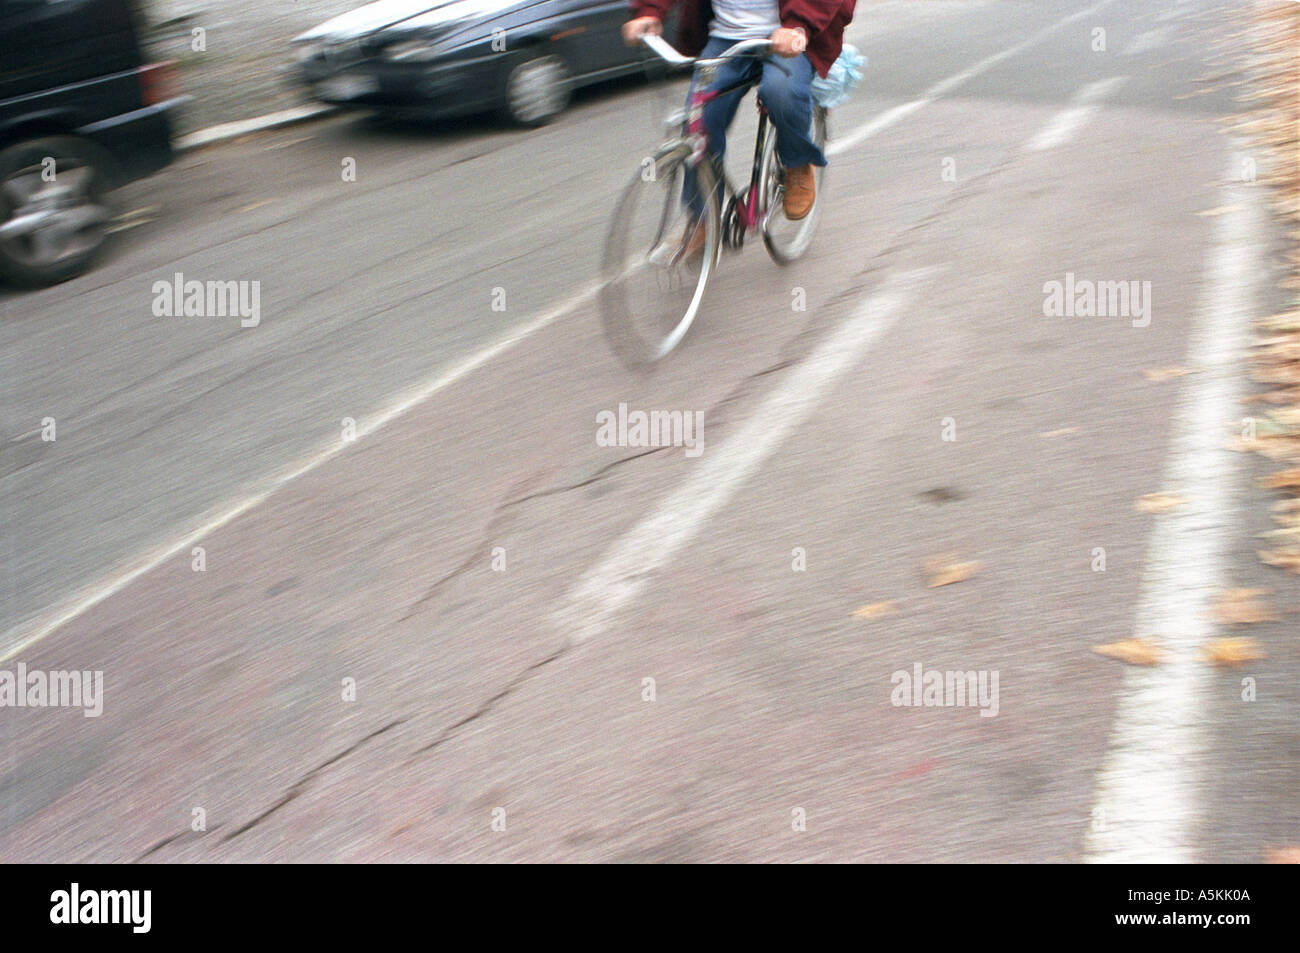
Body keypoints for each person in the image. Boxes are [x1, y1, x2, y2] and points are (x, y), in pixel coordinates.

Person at [623, 0, 856, 224]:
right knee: (699, 122)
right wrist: (649, 10)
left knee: (781, 92)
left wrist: (799, 25)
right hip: (725, 36)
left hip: (788, 34)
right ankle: (702, 222)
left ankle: (797, 162)